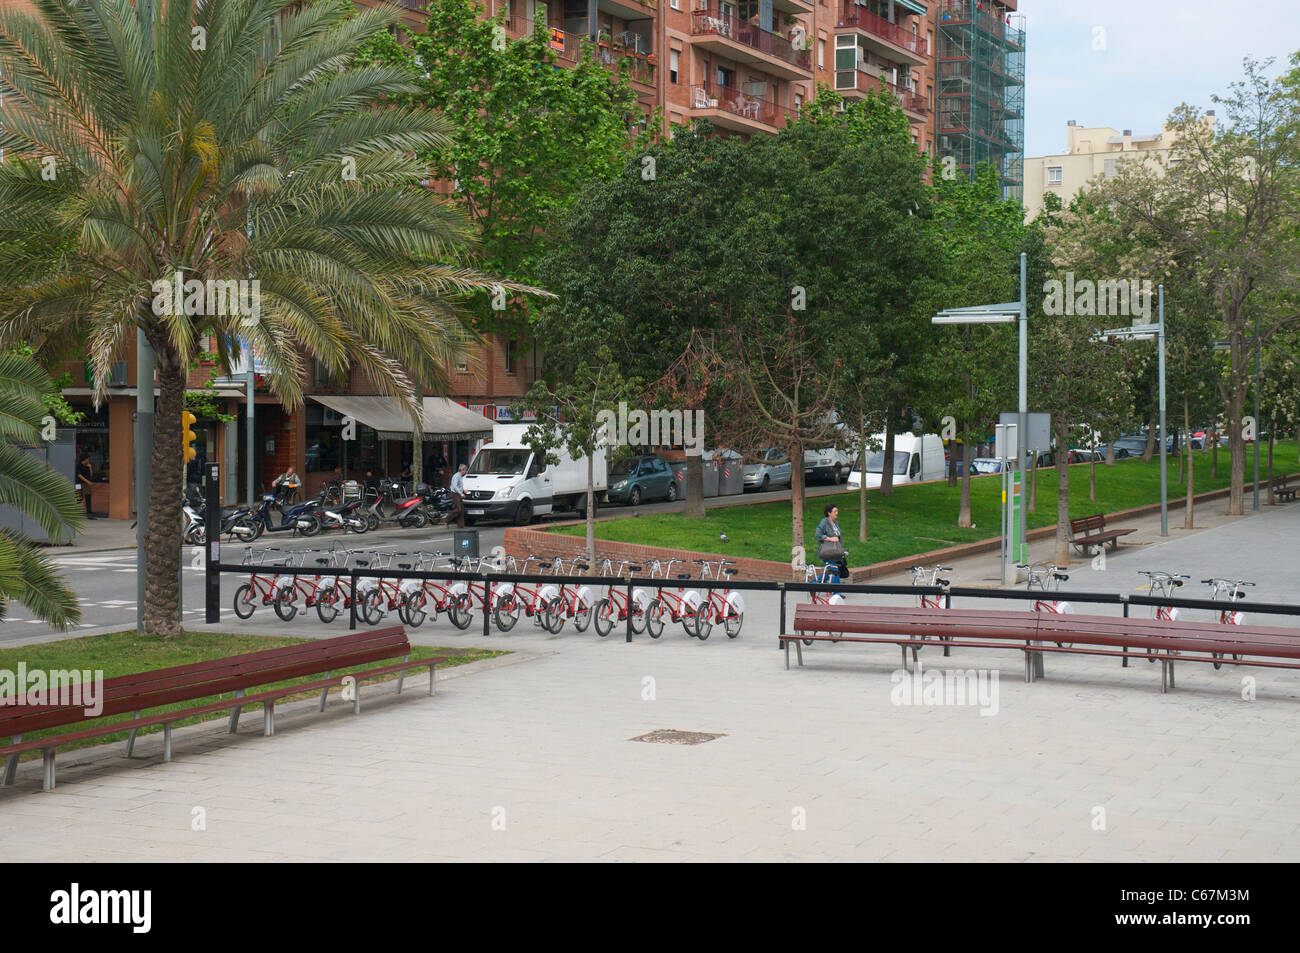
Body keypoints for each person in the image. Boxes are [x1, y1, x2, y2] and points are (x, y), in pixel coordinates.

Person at [814, 504, 847, 583]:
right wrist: (830, 539)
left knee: (829, 571)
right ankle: (836, 591)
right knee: (834, 570)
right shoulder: (824, 522)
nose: (837, 513)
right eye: (835, 511)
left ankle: (812, 584)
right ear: (829, 513)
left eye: (837, 511)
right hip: (827, 552)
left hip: (835, 551)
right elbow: (817, 535)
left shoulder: (835, 522)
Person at [77, 453, 98, 519]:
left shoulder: (87, 466)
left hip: (87, 484)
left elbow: (90, 475)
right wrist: (88, 481)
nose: (88, 460)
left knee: (88, 498)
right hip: (79, 483)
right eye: (88, 459)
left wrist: (90, 467)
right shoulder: (79, 466)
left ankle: (89, 514)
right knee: (79, 498)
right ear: (85, 459)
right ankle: (76, 513)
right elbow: (79, 475)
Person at [449, 463, 468, 529]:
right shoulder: (457, 476)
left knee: (462, 510)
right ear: (462, 470)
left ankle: (461, 525)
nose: (466, 471)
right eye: (465, 470)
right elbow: (455, 486)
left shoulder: (460, 476)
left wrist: (463, 490)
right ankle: (447, 519)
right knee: (458, 509)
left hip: (458, 493)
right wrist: (461, 493)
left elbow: (459, 486)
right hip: (455, 494)